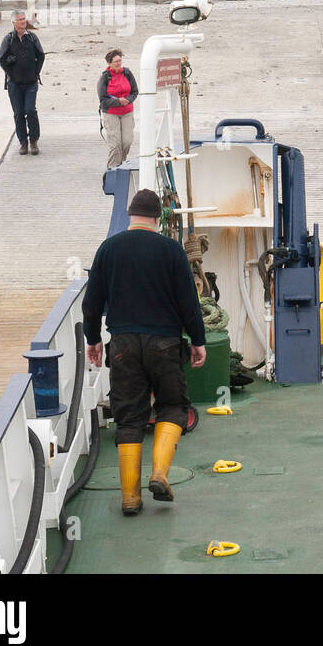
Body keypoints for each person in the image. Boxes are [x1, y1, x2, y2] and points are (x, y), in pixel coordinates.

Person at [82, 188, 207, 516]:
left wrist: (93, 339)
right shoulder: (171, 250)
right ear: (158, 218)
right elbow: (189, 303)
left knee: (129, 416)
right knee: (173, 406)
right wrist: (197, 340)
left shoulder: (108, 249)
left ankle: (130, 498)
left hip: (123, 345)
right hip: (164, 343)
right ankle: (160, 474)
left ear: (130, 215)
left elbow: (92, 302)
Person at [0, 10, 45, 154]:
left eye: (24, 19)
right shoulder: (8, 39)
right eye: (20, 20)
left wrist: (35, 73)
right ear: (13, 22)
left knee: (30, 110)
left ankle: (34, 141)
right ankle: (23, 142)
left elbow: (41, 56)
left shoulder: (32, 38)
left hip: (31, 83)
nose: (23, 22)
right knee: (18, 113)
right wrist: (11, 74)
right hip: (14, 84)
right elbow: (1, 60)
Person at [98, 48, 138, 169]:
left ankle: (121, 164)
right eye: (116, 61)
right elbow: (103, 100)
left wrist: (128, 99)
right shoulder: (104, 78)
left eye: (120, 60)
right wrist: (118, 101)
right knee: (115, 144)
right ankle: (112, 168)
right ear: (109, 63)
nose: (119, 63)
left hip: (127, 112)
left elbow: (135, 91)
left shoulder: (127, 73)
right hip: (111, 114)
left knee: (126, 142)